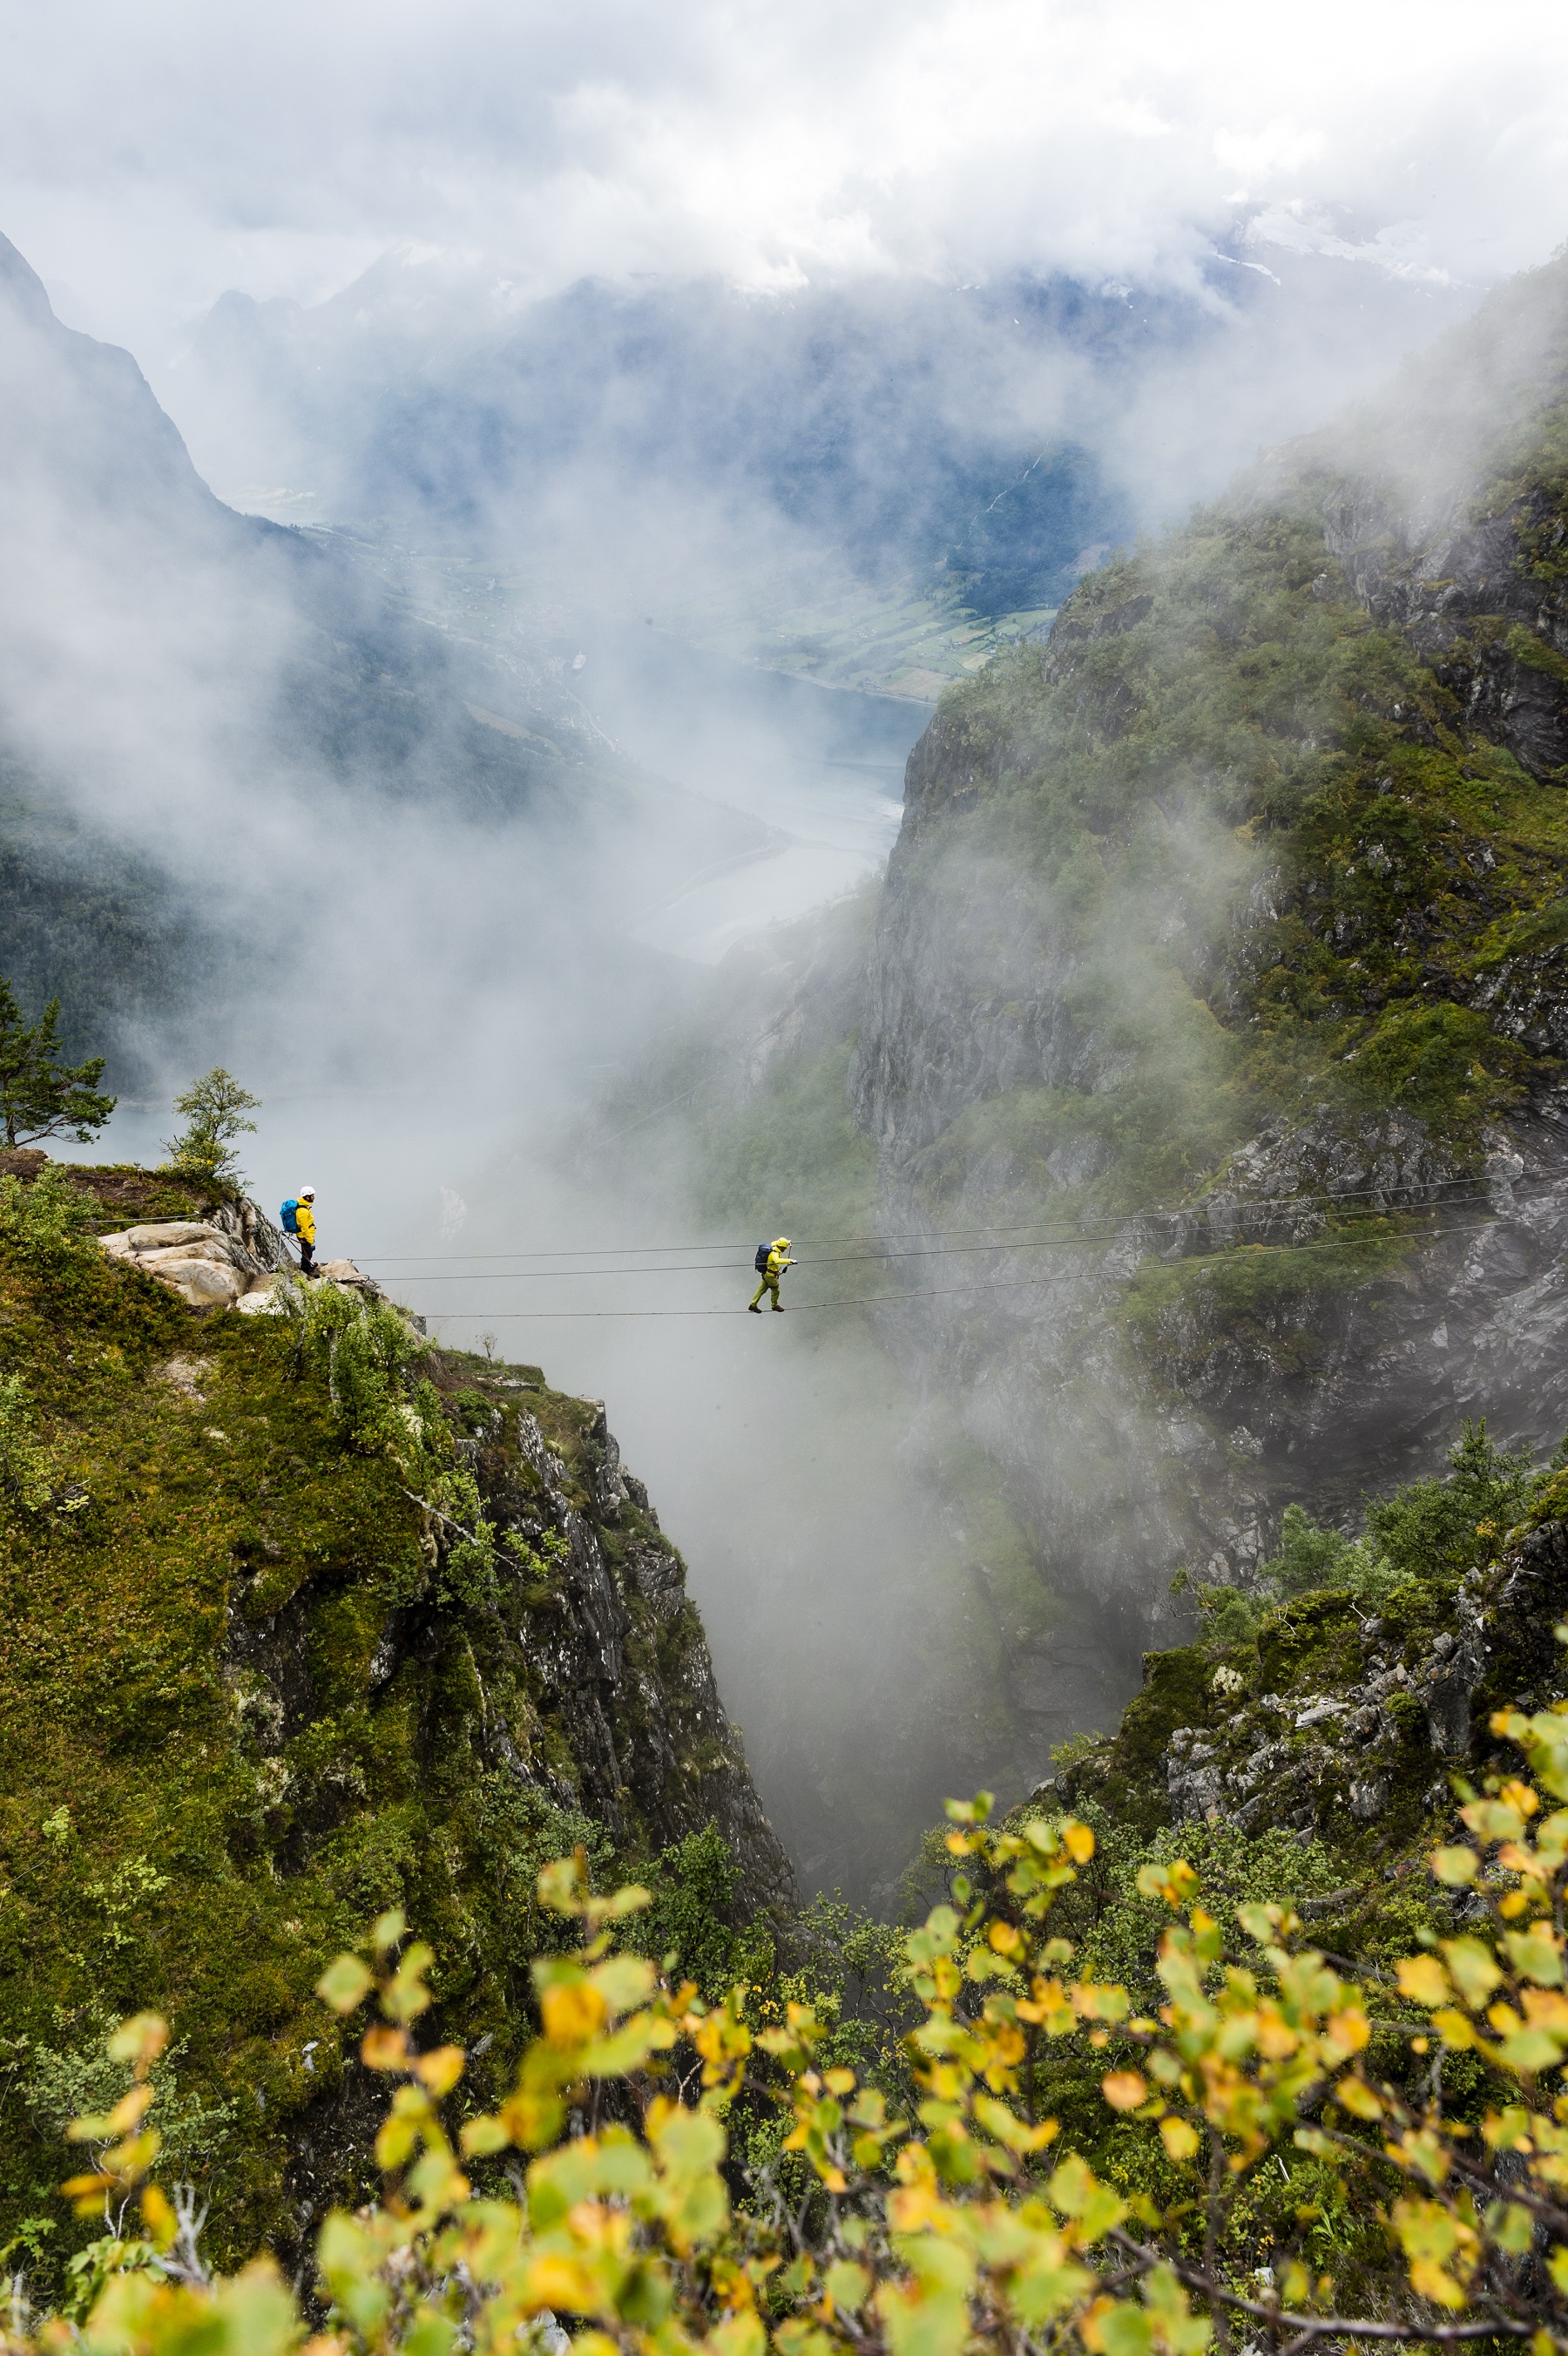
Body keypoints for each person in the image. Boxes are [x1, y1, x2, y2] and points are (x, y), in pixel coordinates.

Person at [749, 1236, 793, 1313]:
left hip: (765, 1273)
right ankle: (774, 1305)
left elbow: (775, 1241)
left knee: (761, 1290)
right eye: (784, 1248)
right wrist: (790, 1260)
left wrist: (787, 1242)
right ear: (781, 1247)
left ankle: (753, 1304)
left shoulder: (773, 1245)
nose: (784, 1250)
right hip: (770, 1275)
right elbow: (777, 1260)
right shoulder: (774, 1253)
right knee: (776, 1290)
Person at [295, 1185, 317, 1276]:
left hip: (306, 1236)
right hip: (305, 1237)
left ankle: (308, 1265)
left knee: (308, 1252)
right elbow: (304, 1228)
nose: (314, 1197)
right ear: (307, 1197)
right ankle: (306, 1271)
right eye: (312, 1196)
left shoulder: (304, 1206)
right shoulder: (303, 1211)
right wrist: (310, 1241)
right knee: (307, 1254)